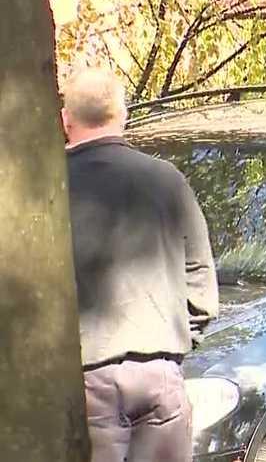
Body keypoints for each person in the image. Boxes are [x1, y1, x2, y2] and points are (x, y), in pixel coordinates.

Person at [62, 67, 218, 462]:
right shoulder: (167, 181)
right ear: (123, 114)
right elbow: (202, 287)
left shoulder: (49, 188)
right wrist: (173, 345)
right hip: (159, 376)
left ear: (66, 119)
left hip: (84, 385)